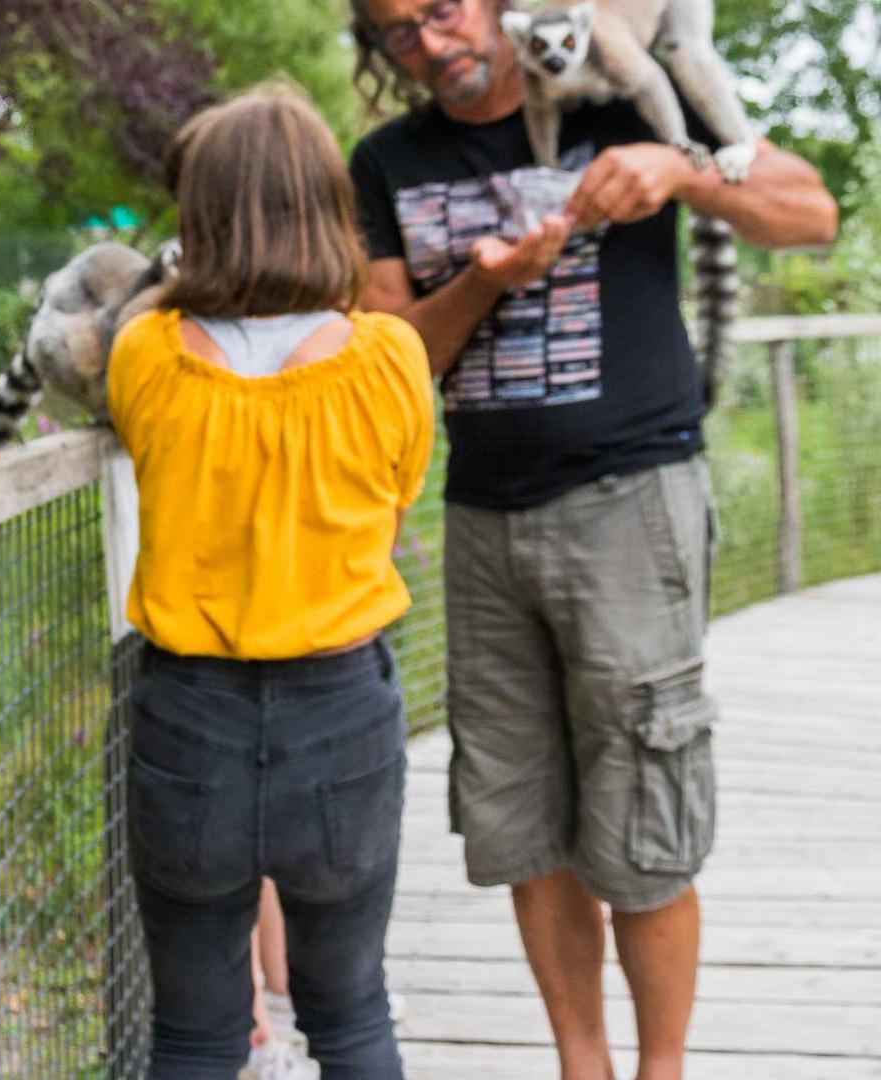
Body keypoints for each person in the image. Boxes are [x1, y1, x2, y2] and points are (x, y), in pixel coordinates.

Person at [342, 1, 838, 1077]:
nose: (431, 43)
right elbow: (388, 359)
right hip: (480, 519)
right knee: (525, 820)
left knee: (644, 813)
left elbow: (813, 214)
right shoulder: (386, 162)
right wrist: (484, 280)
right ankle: (584, 1066)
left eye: (442, 10)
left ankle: (660, 1070)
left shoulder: (626, 104)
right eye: (398, 32)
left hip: (631, 505)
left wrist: (684, 175)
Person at [107, 81, 435, 1080]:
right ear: (330, 207)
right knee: (351, 1017)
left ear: (197, 215)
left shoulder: (149, 357)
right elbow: (396, 500)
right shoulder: (388, 359)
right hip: (339, 715)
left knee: (196, 1034)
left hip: (189, 719)